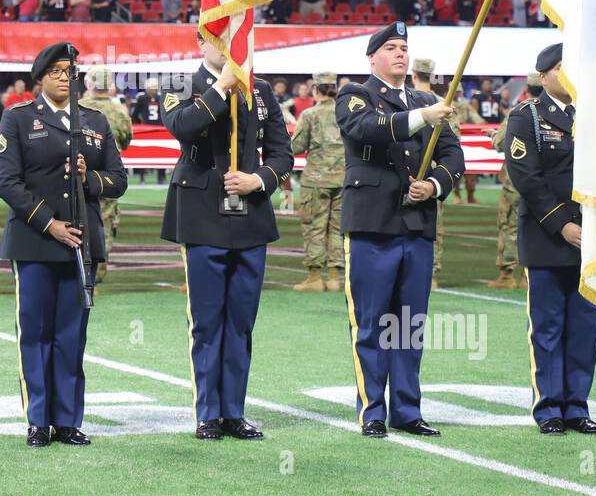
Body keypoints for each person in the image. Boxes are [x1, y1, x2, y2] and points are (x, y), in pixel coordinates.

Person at [160, 30, 294, 440]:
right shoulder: (179, 84)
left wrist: (260, 180)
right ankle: (208, 413)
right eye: (220, 39)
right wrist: (222, 86)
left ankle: (234, 411)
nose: (228, 46)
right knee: (206, 320)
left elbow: (282, 154)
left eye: (235, 38)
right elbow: (183, 126)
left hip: (249, 214)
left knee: (240, 320)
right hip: (202, 214)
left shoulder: (263, 90)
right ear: (201, 42)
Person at [0, 43, 128, 448]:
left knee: (71, 335)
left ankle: (68, 421)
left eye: (70, 71)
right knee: (35, 332)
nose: (64, 78)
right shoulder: (18, 119)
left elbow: (118, 179)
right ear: (41, 77)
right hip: (35, 241)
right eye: (55, 71)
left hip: (81, 244)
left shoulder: (95, 122)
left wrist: (90, 179)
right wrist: (48, 223)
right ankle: (38, 421)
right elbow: (6, 182)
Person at [336, 23, 462, 437]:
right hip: (373, 225)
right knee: (371, 324)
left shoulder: (427, 99)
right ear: (372, 57)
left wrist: (435, 184)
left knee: (409, 324)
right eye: (390, 47)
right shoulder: (355, 95)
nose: (400, 54)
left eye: (404, 48)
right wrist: (423, 116)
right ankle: (372, 411)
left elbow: (452, 155)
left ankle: (407, 410)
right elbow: (367, 130)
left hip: (417, 226)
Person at [505, 43, 596, 435]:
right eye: (561, 68)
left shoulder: (595, 116)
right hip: (547, 237)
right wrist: (562, 223)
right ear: (543, 76)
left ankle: (577, 406)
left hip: (593, 238)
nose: (569, 74)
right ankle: (549, 409)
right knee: (547, 328)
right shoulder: (526, 117)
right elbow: (526, 176)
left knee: (584, 328)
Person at [78, 66, 133, 286]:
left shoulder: (77, 108)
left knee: (77, 220)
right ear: (110, 85)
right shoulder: (119, 112)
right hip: (109, 178)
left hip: (79, 175)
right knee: (105, 224)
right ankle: (95, 278)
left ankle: (79, 271)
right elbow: (126, 142)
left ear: (88, 84)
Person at [289, 71, 343, 293]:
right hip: (344, 178)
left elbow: (296, 146)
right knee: (337, 228)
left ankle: (314, 277)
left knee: (314, 226)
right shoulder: (345, 113)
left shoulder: (310, 114)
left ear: (315, 89)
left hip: (316, 180)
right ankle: (333, 277)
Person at [489, 72, 541, 290]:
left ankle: (507, 274)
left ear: (526, 89)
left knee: (509, 224)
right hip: (542, 181)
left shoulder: (518, 112)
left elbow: (500, 143)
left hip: (515, 180)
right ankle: (529, 276)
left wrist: (493, 135)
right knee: (539, 226)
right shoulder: (554, 112)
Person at [409, 57, 454, 289]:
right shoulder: (442, 103)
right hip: (434, 177)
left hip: (406, 178)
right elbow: (452, 146)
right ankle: (432, 273)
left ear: (414, 75)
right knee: (435, 225)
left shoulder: (405, 99)